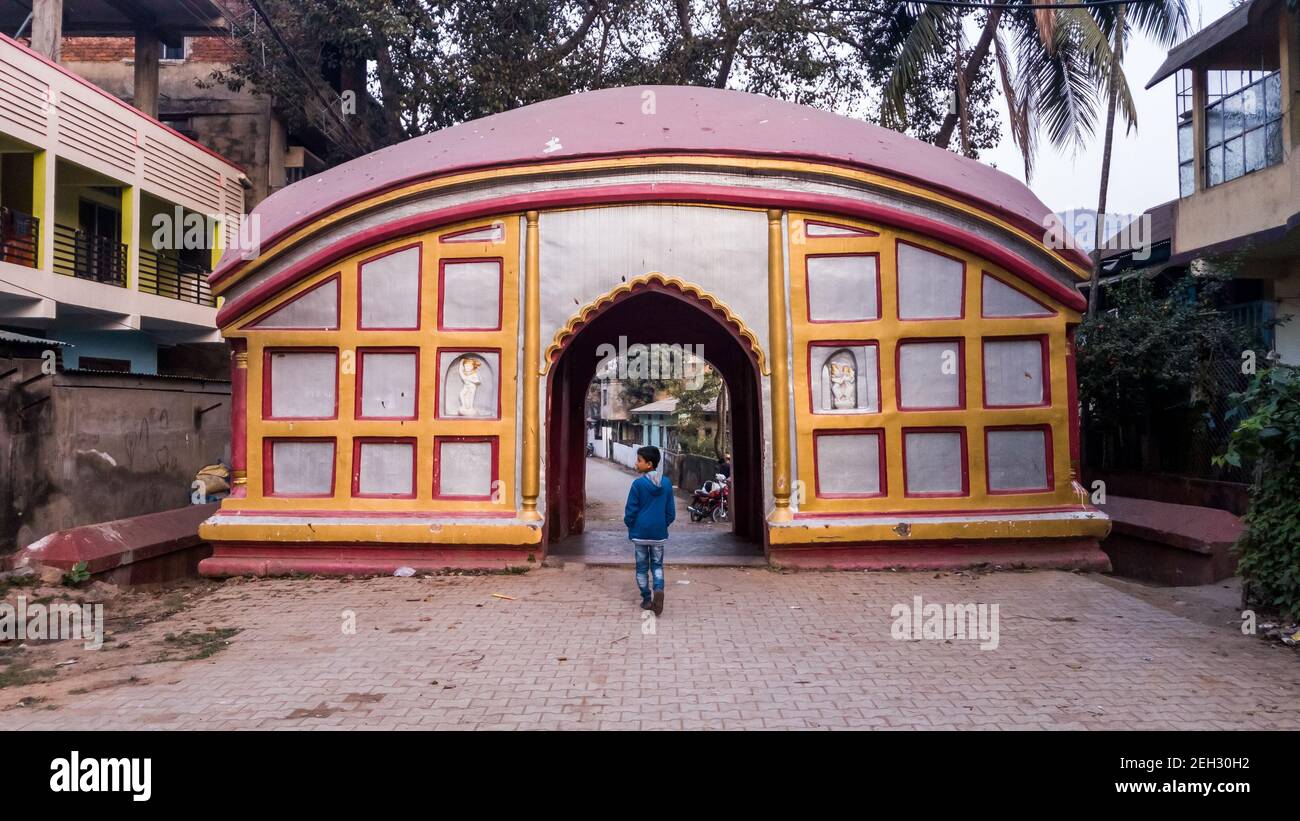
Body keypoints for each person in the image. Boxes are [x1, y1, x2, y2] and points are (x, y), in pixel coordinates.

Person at [624, 445, 675, 615]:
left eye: (639, 460)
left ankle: (646, 599)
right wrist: (662, 524)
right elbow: (671, 513)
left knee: (641, 568)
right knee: (657, 565)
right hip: (658, 533)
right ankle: (658, 589)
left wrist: (630, 525)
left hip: (640, 533)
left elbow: (630, 511)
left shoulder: (638, 485)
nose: (636, 463)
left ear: (649, 464)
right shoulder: (667, 484)